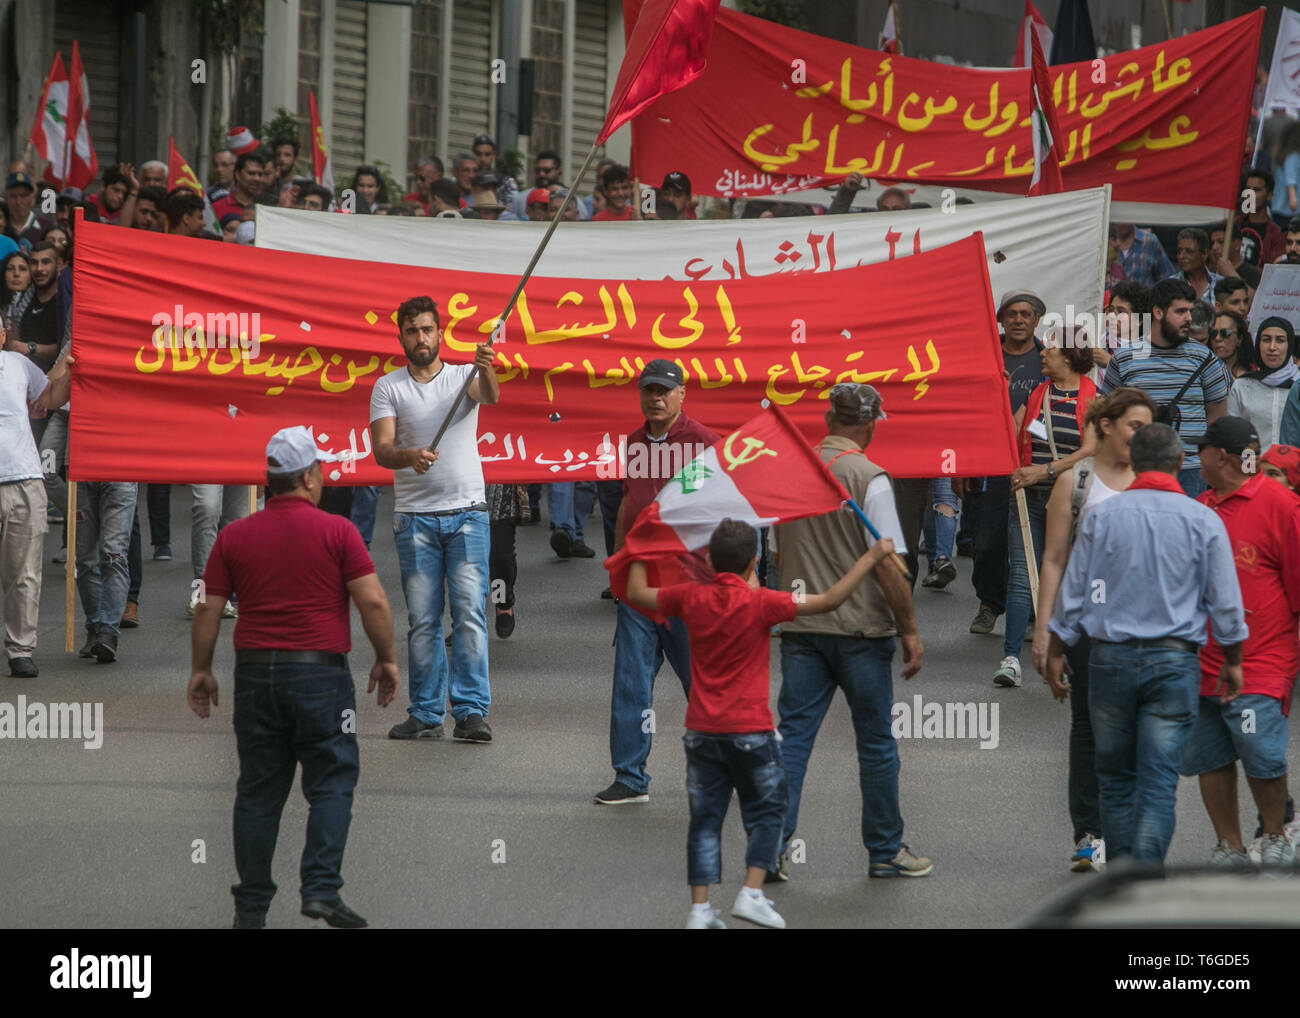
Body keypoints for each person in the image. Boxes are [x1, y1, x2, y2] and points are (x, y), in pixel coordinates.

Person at [626, 520, 895, 929]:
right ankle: (751, 892)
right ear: (754, 561)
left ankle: (699, 910)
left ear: (711, 560)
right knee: (771, 811)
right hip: (750, 730)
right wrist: (871, 557)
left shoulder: (690, 597)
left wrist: (640, 549)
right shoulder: (763, 604)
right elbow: (830, 601)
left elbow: (636, 593)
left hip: (701, 731)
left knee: (705, 820)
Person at [187, 425, 399, 929]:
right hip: (321, 676)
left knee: (258, 791)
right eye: (319, 470)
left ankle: (252, 908)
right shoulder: (337, 532)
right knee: (331, 782)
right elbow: (371, 600)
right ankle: (322, 889)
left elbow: (207, 608)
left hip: (257, 676)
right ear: (307, 477)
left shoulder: (235, 536)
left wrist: (201, 669)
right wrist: (386, 658)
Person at [1045, 422, 1247, 865]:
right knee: (1157, 782)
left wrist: (1056, 647)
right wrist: (1233, 659)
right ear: (1179, 463)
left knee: (1115, 779)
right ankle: (1144, 879)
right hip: (1174, 664)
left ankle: (1122, 878)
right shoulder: (1203, 519)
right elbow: (1226, 604)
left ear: (1133, 463)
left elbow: (1075, 590)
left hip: (1109, 661)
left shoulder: (1101, 517)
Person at [773, 382, 928, 880]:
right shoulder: (871, 477)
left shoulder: (794, 467)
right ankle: (884, 850)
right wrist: (909, 630)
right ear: (870, 423)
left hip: (802, 623)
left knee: (793, 738)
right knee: (876, 742)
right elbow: (888, 566)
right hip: (861, 632)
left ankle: (771, 849)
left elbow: (777, 548)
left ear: (827, 420)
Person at [1032, 387, 1156, 871]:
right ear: (1106, 425)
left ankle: (1133, 833)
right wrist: (1045, 631)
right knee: (1087, 729)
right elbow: (1054, 559)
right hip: (1087, 627)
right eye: (1135, 427)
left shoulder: (1153, 478)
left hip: (1145, 629)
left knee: (1140, 732)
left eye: (1148, 428)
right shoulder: (1077, 481)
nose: (1142, 437)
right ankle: (1089, 833)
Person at [372, 296, 499, 742]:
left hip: (468, 514)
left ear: (440, 332)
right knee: (423, 620)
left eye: (427, 329)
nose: (421, 338)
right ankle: (426, 712)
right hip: (414, 520)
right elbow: (382, 450)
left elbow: (492, 395)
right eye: (412, 331)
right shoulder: (388, 387)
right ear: (401, 336)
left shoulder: (466, 376)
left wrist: (485, 365)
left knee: (468, 615)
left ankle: (470, 711)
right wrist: (410, 456)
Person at [594, 359, 720, 804]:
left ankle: (732, 766)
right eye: (649, 390)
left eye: (665, 390)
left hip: (690, 589)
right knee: (630, 684)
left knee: (704, 686)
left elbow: (735, 516)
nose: (657, 398)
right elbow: (628, 504)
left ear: (683, 394)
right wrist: (616, 567)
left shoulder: (707, 445)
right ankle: (629, 777)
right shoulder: (632, 444)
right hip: (638, 589)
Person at [1182, 416, 1299, 870]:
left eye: (1203, 454)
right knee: (1209, 755)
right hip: (1203, 658)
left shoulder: (1281, 505)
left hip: (1262, 660)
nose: (1198, 462)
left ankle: (1274, 836)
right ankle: (1228, 847)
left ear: (1221, 457)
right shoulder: (1202, 507)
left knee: (1260, 751)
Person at [996, 331, 1097, 687]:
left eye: (1050, 349)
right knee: (1023, 579)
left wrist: (1045, 470)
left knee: (1072, 578)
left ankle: (1068, 654)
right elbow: (1011, 432)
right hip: (1029, 500)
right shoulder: (1036, 393)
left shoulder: (1095, 399)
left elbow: (1091, 450)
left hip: (1074, 504)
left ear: (1070, 356)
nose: (1042, 353)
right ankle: (1011, 658)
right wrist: (1002, 394)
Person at [961, 289, 1045, 636]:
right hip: (988, 462)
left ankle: (1028, 613)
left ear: (1037, 319)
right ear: (1001, 319)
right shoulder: (985, 355)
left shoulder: (1048, 358)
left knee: (1029, 541)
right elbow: (965, 408)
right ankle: (989, 603)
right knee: (988, 540)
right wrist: (963, 462)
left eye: (1026, 314)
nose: (1019, 320)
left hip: (1034, 463)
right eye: (1012, 314)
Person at [1101, 278, 1230, 496]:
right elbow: (1109, 412)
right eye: (1180, 311)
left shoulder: (1205, 358)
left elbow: (1217, 414)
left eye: (1190, 311)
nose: (1189, 318)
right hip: (1136, 466)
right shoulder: (1124, 358)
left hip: (1189, 469)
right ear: (1158, 312)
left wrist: (1198, 454)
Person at [0, 319, 67, 677]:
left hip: (24, 479)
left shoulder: (18, 364)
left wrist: (73, 369)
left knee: (24, 573)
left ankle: (20, 649)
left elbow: (50, 398)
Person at [1225, 317, 1297, 449]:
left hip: (1293, 468)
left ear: (1290, 344)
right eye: (1266, 339)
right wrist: (1249, 467)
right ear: (1258, 343)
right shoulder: (1243, 385)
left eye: (1280, 340)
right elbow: (1232, 436)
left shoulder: (1297, 385)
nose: (1272, 347)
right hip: (1253, 466)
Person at [487, 483, 529, 638]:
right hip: (460, 492)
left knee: (499, 558)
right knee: (461, 563)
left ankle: (502, 602)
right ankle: (461, 621)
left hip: (501, 492)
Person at [1237, 169, 1285, 266]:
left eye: (1256, 190)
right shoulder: (1234, 224)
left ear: (1269, 195)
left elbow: (1270, 273)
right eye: (1247, 189)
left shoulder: (1277, 235)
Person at [1164, 227, 1221, 305]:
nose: (1181, 256)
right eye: (1179, 251)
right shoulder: (1168, 286)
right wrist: (1144, 317)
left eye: (1189, 251)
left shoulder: (1220, 284)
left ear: (1204, 254)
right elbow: (1149, 313)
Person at [1112, 222, 1175, 289]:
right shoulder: (1104, 241)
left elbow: (1168, 280)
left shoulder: (1150, 242)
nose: (1122, 222)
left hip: (1145, 298)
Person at [211, 151, 267, 221]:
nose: (257, 178)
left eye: (260, 175)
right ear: (237, 175)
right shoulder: (216, 208)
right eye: (251, 173)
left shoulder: (266, 208)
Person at [5, 172, 54, 245]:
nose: (18, 202)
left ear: (32, 198)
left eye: (23, 196)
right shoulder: (2, 227)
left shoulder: (47, 227)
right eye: (13, 196)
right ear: (6, 199)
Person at [1210, 310, 1253, 381]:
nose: (1217, 338)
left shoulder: (1254, 377)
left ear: (1239, 339)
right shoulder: (1203, 375)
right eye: (1213, 333)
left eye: (1225, 333)